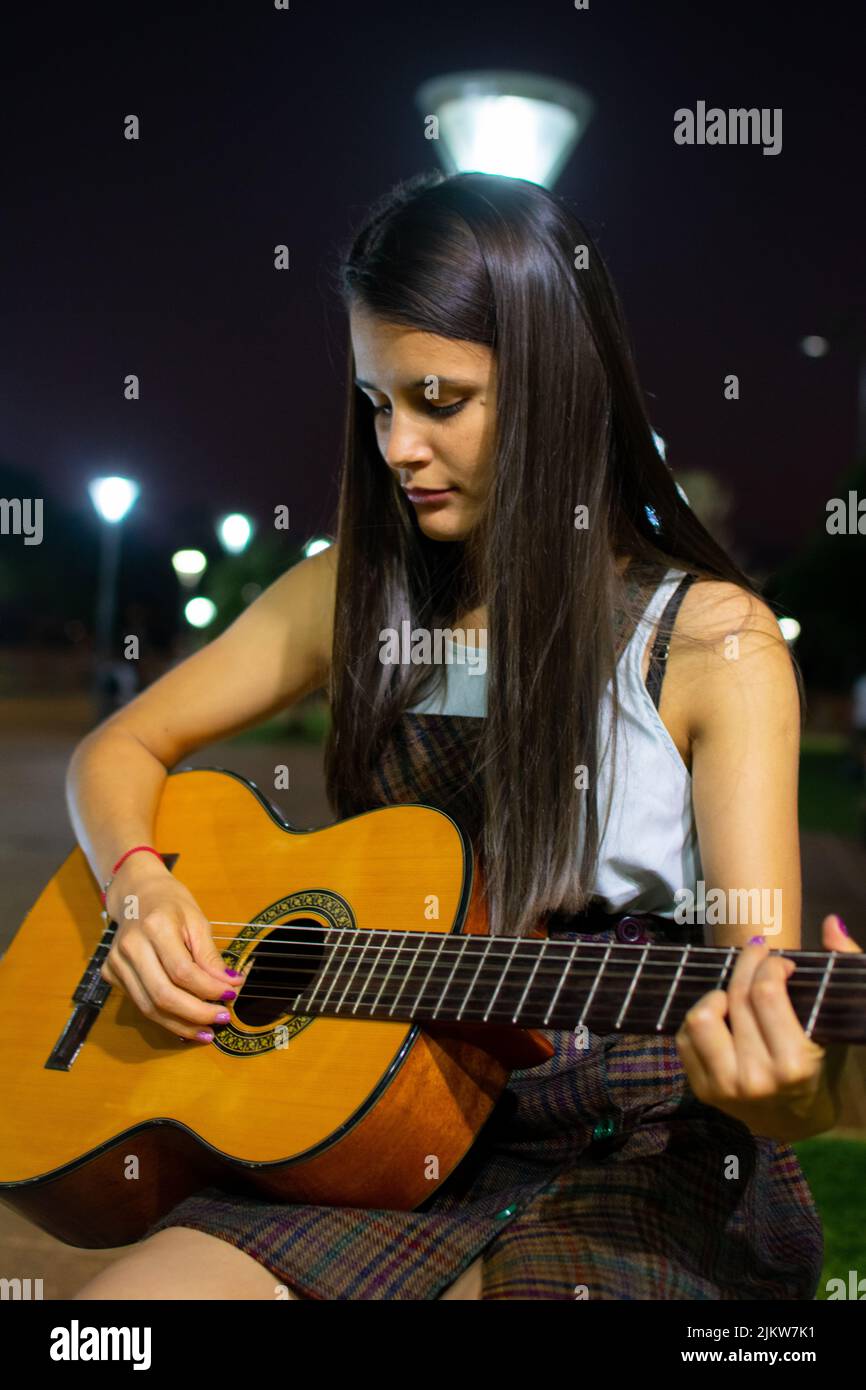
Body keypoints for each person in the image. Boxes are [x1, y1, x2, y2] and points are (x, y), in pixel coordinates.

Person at [66, 171, 859, 1301]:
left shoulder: (709, 641)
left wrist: (786, 1090)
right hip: (369, 1111)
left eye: (437, 399)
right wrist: (139, 887)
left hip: (631, 1148)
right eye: (375, 402)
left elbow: (760, 989)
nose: (395, 447)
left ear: (550, 387)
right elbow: (119, 749)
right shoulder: (342, 596)